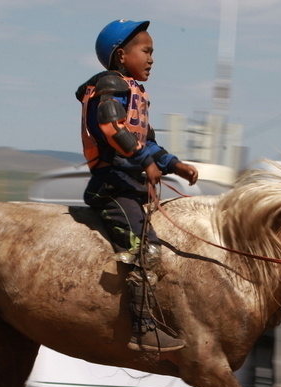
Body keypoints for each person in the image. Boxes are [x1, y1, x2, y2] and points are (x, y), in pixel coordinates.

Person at [76, 19, 198, 353]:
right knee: (148, 249)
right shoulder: (110, 86)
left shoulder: (135, 94)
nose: (151, 59)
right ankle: (142, 329)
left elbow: (149, 143)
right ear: (120, 56)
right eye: (146, 51)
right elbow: (113, 129)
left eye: (152, 52)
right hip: (111, 187)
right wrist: (144, 162)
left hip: (129, 185)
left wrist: (175, 165)